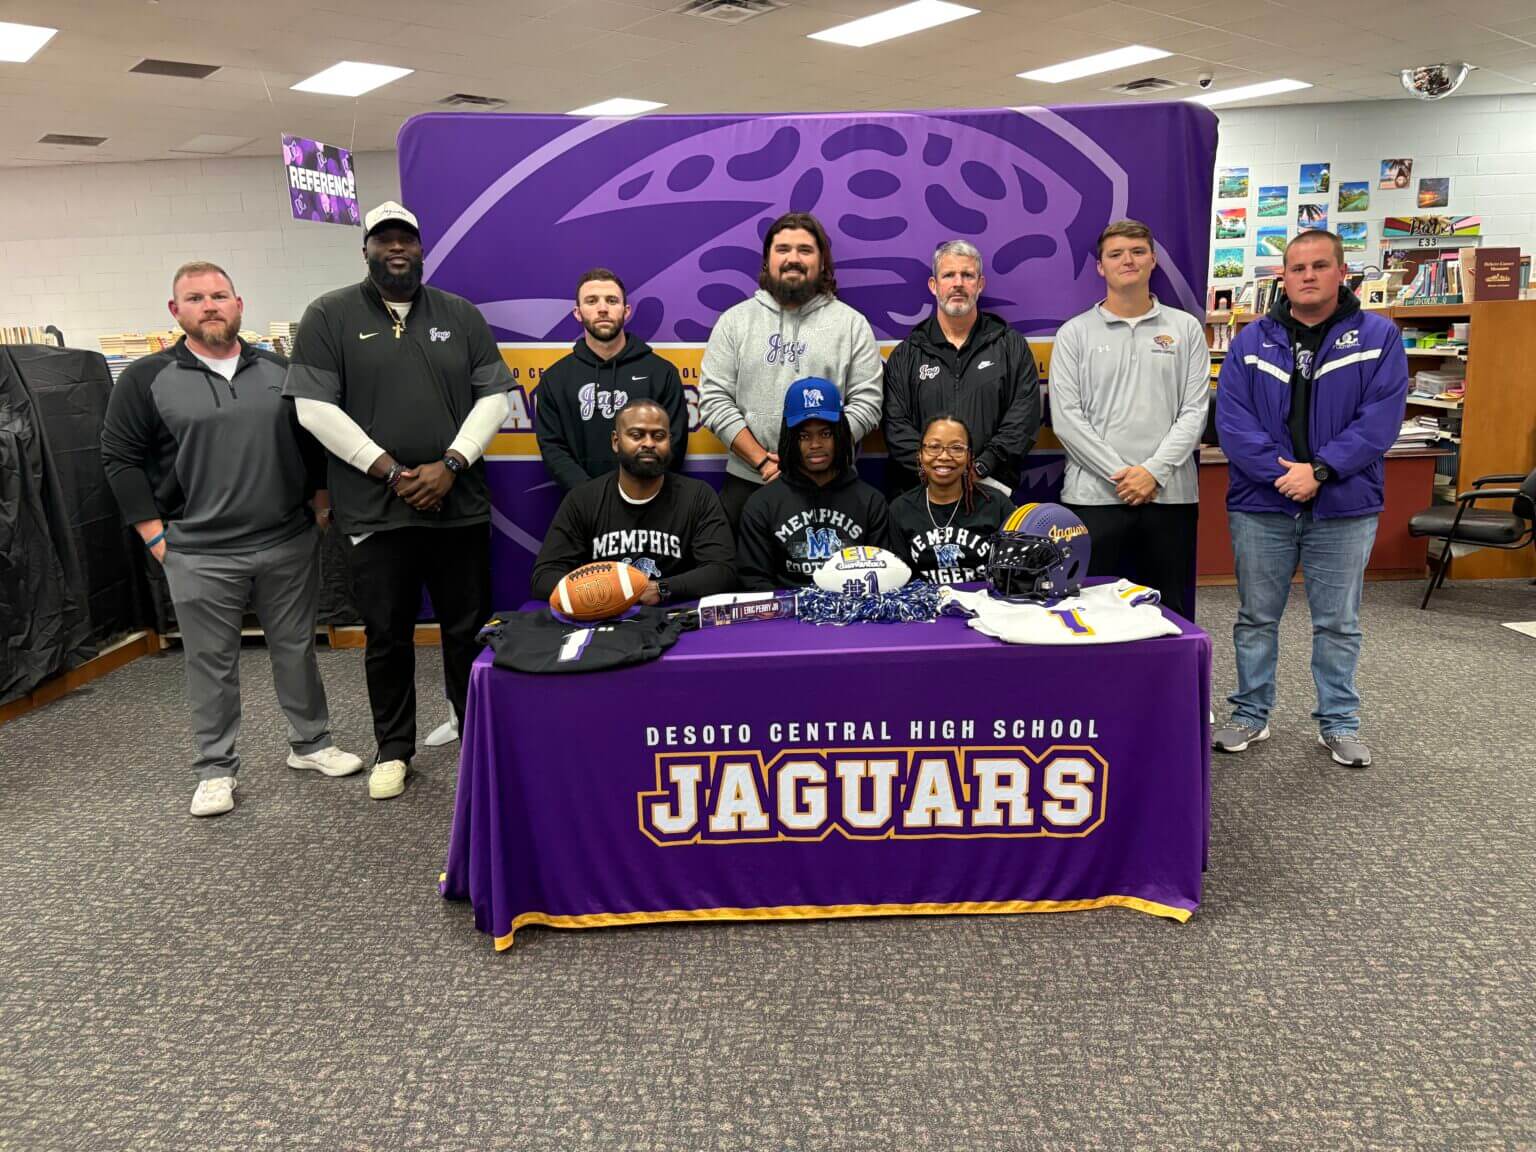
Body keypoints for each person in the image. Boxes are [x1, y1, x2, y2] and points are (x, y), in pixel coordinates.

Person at [101, 261, 363, 817]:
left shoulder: (280, 370)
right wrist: (155, 536)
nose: (210, 306)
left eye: (219, 296)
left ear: (239, 305)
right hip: (198, 552)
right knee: (210, 663)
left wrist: (319, 510)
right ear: (175, 311)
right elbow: (120, 459)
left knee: (296, 651)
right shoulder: (145, 379)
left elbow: (314, 442)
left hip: (287, 541)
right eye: (196, 298)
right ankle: (216, 769)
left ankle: (311, 744)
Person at [284, 201, 515, 800]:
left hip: (455, 504)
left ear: (420, 249)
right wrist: (390, 472)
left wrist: (452, 464)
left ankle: (474, 735)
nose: (396, 248)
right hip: (375, 509)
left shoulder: (459, 314)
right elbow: (313, 409)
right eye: (383, 239)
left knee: (467, 630)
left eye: (406, 239)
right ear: (364, 249)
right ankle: (393, 750)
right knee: (387, 635)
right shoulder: (329, 314)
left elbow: (494, 398)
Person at [1213, 229, 1409, 768]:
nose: (1307, 276)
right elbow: (1233, 421)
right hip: (1263, 504)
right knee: (1255, 617)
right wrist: (1285, 476)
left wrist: (1321, 471)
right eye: (1297, 268)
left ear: (1342, 272)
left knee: (1338, 622)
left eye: (1320, 265)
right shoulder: (1251, 341)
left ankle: (1338, 722)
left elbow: (1380, 420)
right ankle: (1250, 714)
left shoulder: (1379, 337)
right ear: (1284, 277)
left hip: (1344, 504)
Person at [1048, 219, 1210, 620]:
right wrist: (1123, 475)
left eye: (1138, 252)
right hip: (1095, 498)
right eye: (1116, 254)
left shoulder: (1186, 329)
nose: (1128, 261)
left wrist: (1153, 472)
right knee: (1091, 613)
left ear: (1153, 260)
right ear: (1100, 266)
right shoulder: (1074, 334)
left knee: (1167, 612)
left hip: (1169, 496)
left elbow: (1194, 411)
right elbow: (1066, 418)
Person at [699, 211, 883, 530]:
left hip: (831, 484)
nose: (793, 259)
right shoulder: (734, 322)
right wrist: (761, 460)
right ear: (767, 261)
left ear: (822, 263)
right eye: (783, 249)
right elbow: (714, 401)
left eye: (805, 250)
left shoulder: (852, 324)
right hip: (750, 481)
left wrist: (812, 459)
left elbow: (867, 404)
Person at [530, 399, 735, 604]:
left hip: (672, 614)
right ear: (616, 441)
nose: (649, 443)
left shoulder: (697, 496)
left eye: (659, 436)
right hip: (604, 616)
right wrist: (608, 592)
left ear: (669, 441)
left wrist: (661, 589)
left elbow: (722, 572)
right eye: (637, 435)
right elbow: (544, 578)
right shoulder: (583, 499)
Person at [881, 240, 1040, 499]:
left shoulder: (1010, 346)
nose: (958, 283)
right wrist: (938, 469)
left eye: (967, 275)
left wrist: (981, 466)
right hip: (922, 497)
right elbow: (896, 426)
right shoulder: (907, 354)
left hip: (991, 493)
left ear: (980, 284)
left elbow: (1023, 419)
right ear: (934, 285)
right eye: (948, 275)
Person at [534, 268, 688, 492]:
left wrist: (635, 491)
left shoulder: (661, 373)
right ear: (577, 312)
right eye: (592, 301)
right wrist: (591, 495)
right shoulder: (555, 379)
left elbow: (674, 442)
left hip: (649, 499)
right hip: (583, 502)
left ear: (626, 311)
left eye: (612, 300)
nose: (603, 308)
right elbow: (553, 447)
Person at [737, 377, 891, 590]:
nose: (816, 444)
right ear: (790, 439)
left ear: (841, 434)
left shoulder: (871, 502)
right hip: (787, 609)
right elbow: (754, 582)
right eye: (804, 436)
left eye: (826, 434)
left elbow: (884, 578)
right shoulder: (762, 505)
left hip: (854, 606)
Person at [889, 415, 1014, 585]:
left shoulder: (997, 504)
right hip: (925, 601)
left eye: (956, 448)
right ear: (920, 455)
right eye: (934, 447)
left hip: (985, 600)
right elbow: (899, 578)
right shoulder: (901, 509)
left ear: (969, 456)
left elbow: (1011, 574)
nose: (944, 456)